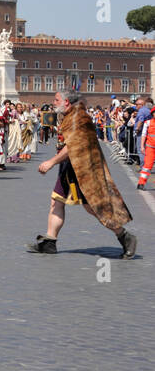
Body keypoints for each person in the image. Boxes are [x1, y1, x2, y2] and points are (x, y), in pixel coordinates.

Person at [29, 90, 136, 258]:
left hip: (84, 169)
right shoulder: (68, 115)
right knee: (56, 201)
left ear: (67, 102)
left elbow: (73, 146)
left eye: (57, 99)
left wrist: (51, 162)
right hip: (70, 167)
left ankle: (125, 236)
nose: (53, 102)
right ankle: (50, 241)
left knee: (93, 207)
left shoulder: (78, 118)